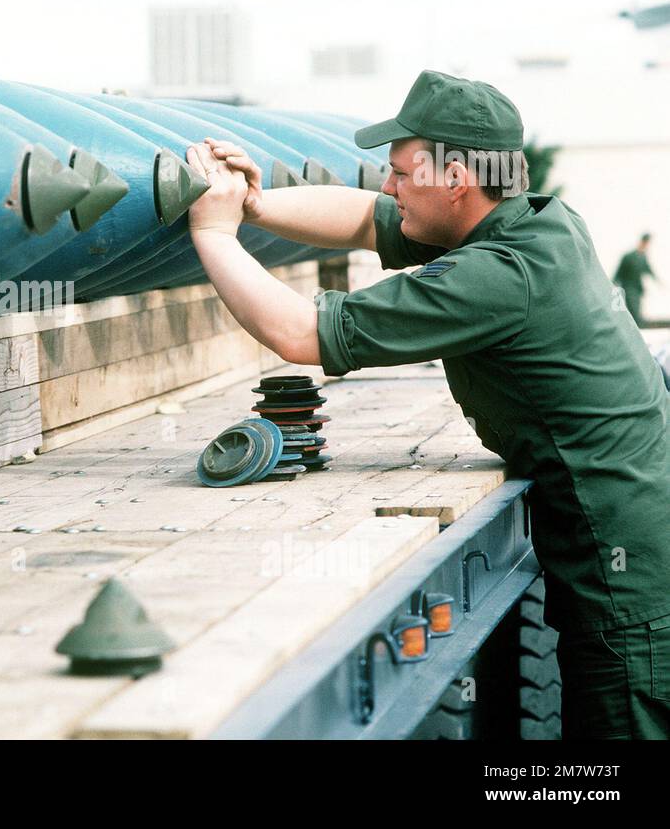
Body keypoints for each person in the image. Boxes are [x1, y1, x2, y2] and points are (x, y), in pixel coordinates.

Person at [186, 70, 670, 739]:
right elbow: (363, 219)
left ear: (457, 179)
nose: (387, 186)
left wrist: (213, 234)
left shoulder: (495, 276)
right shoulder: (541, 224)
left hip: (636, 605)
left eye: (399, 172)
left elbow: (301, 331)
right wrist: (256, 207)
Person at [614, 234, 657, 327]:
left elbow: (649, 269)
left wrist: (658, 281)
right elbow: (618, 272)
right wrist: (612, 285)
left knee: (636, 310)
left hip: (638, 289)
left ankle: (638, 327)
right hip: (628, 288)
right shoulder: (628, 256)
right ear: (642, 242)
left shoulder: (643, 257)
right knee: (633, 311)